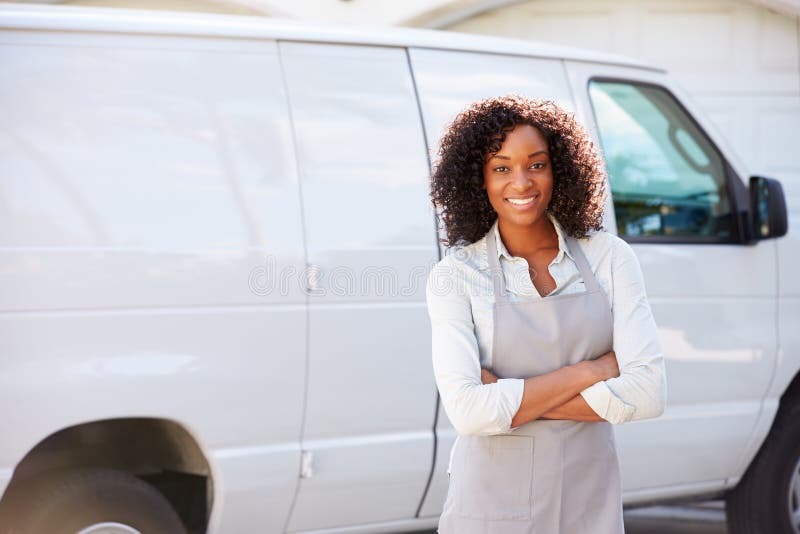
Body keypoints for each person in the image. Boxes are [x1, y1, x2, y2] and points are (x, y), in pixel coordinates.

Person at [425, 94, 668, 534]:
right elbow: (468, 413)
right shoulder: (456, 275)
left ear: (561, 170)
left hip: (588, 502)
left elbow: (648, 394)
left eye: (536, 164)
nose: (521, 182)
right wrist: (593, 370)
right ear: (477, 180)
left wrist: (511, 402)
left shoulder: (610, 258)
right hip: (490, 506)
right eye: (501, 167)